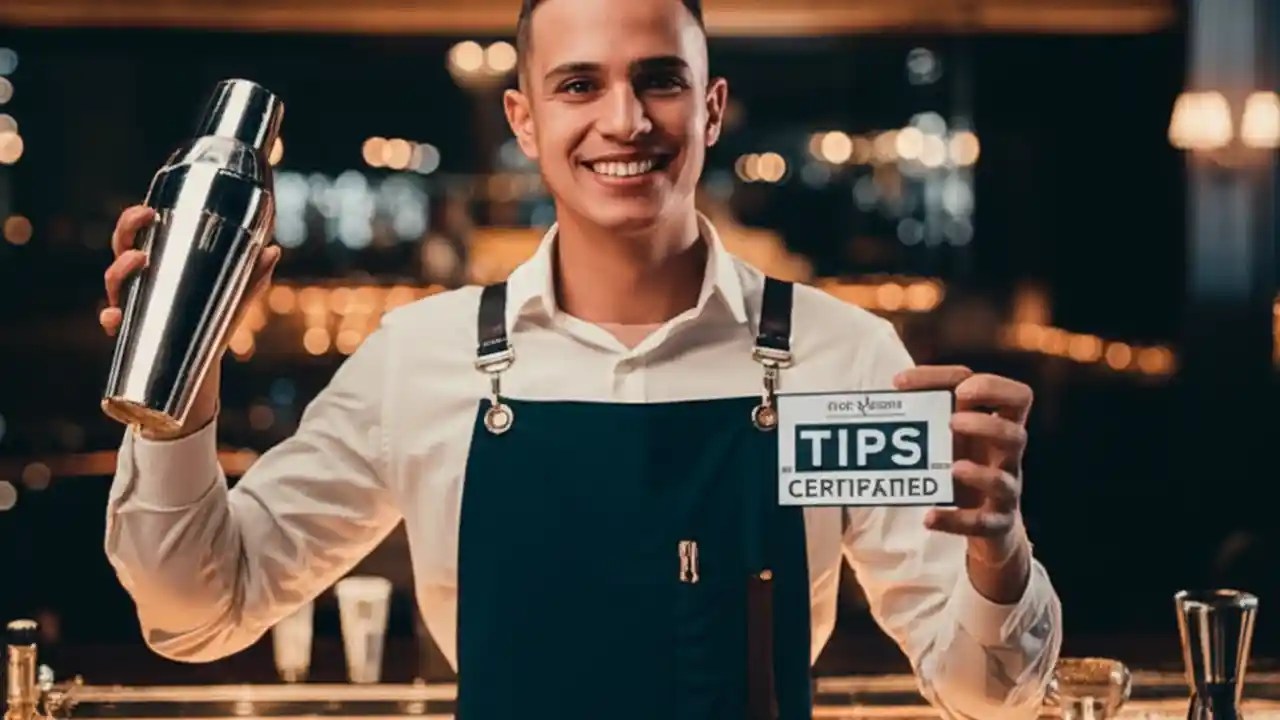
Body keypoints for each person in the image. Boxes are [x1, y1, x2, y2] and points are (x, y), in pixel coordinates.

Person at [99, 0, 1062, 717]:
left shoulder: (842, 356)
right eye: (579, 85)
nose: (626, 120)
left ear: (711, 106)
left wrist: (997, 549)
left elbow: (989, 696)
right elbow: (202, 611)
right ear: (524, 121)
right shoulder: (418, 360)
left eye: (659, 79)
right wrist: (183, 388)